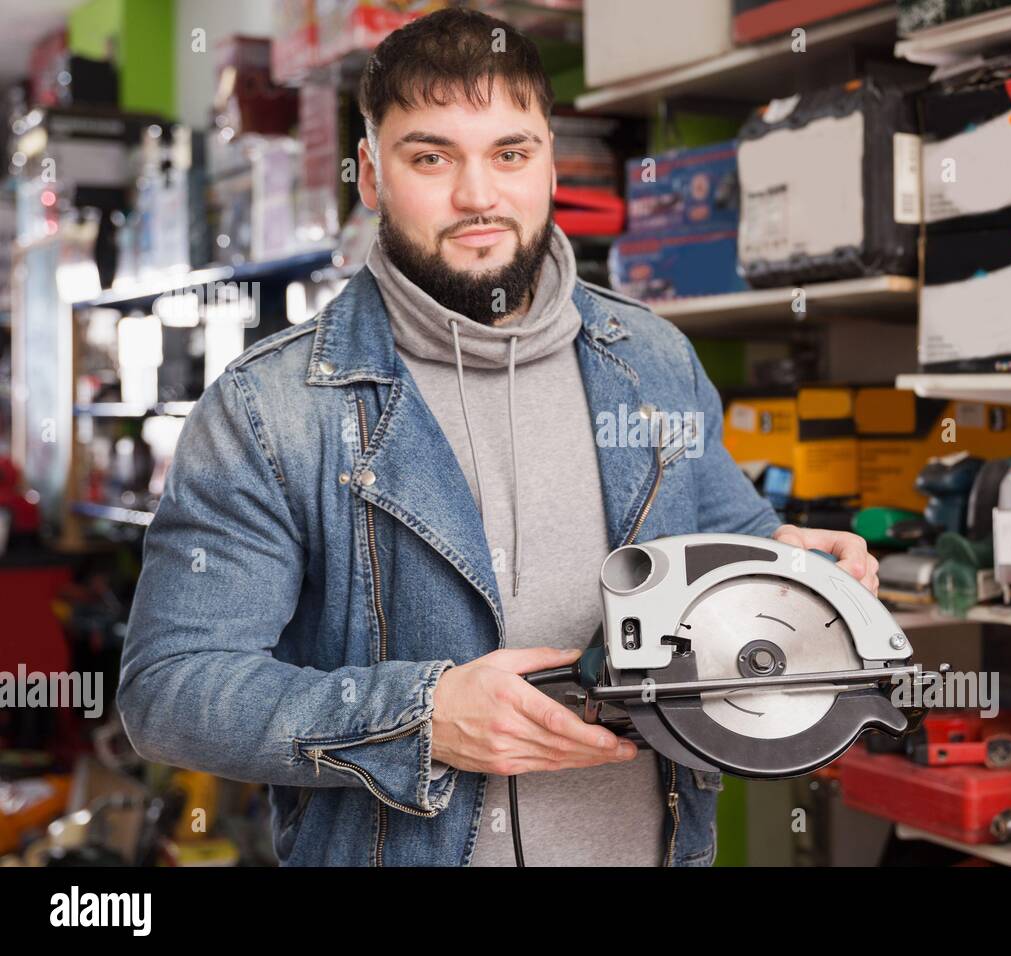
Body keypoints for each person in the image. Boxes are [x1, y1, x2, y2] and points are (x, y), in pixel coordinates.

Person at [117, 7, 879, 867]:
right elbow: (171, 690)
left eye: (510, 154)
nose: (478, 195)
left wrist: (785, 563)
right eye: (431, 157)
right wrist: (424, 718)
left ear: (550, 160)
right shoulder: (272, 410)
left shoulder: (654, 360)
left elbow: (719, 540)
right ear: (370, 175)